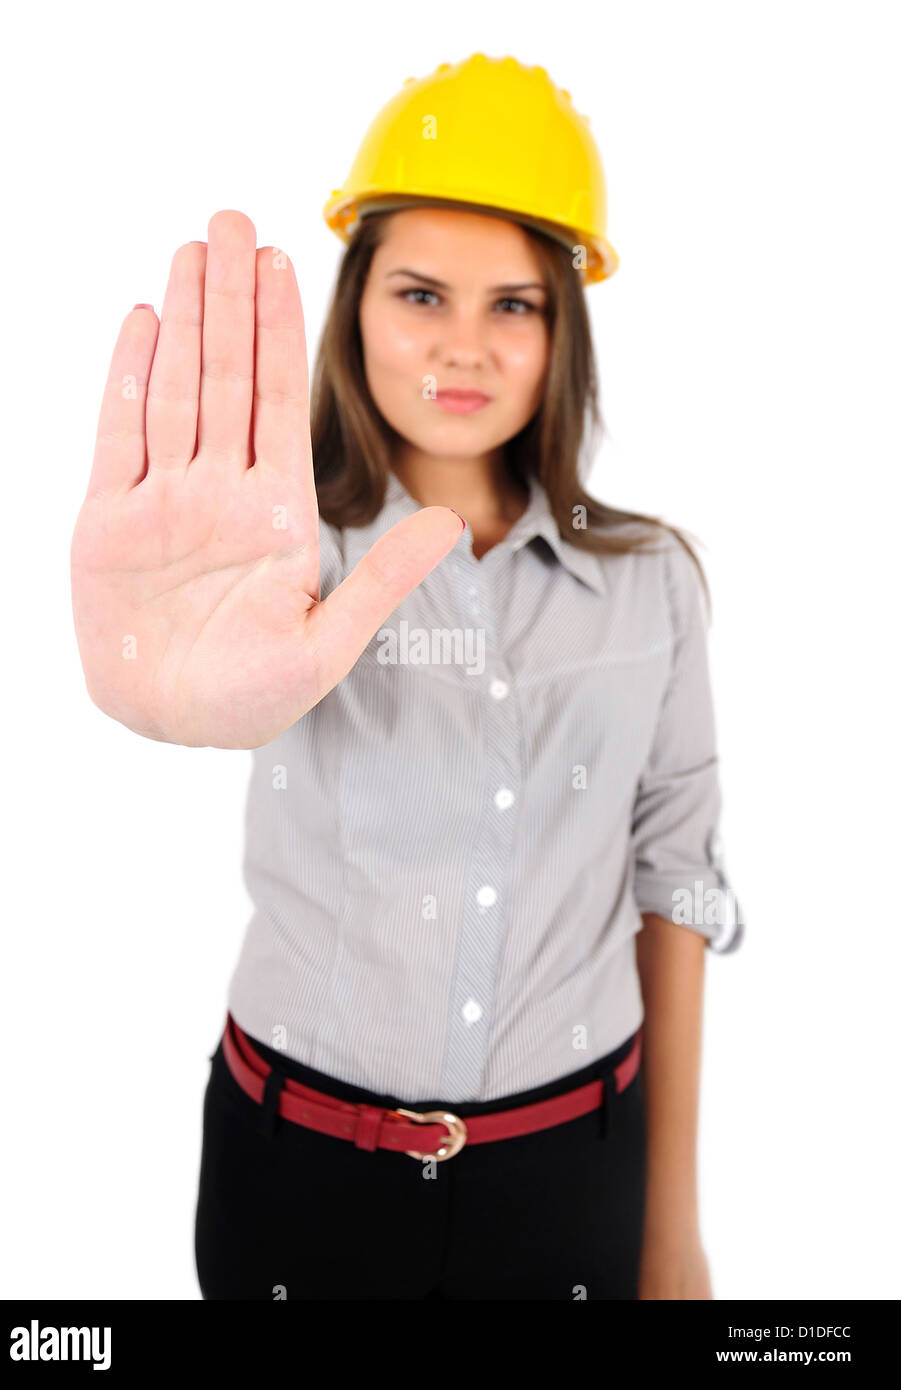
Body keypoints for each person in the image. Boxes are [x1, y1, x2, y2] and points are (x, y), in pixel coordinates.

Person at [70, 52, 744, 1300]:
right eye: (420, 294)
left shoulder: (650, 584)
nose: (463, 346)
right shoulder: (277, 566)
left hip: (567, 1180)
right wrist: (144, 681)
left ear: (560, 329)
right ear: (356, 306)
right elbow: (192, 669)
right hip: (299, 1176)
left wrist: (669, 1225)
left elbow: (675, 883)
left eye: (514, 305)